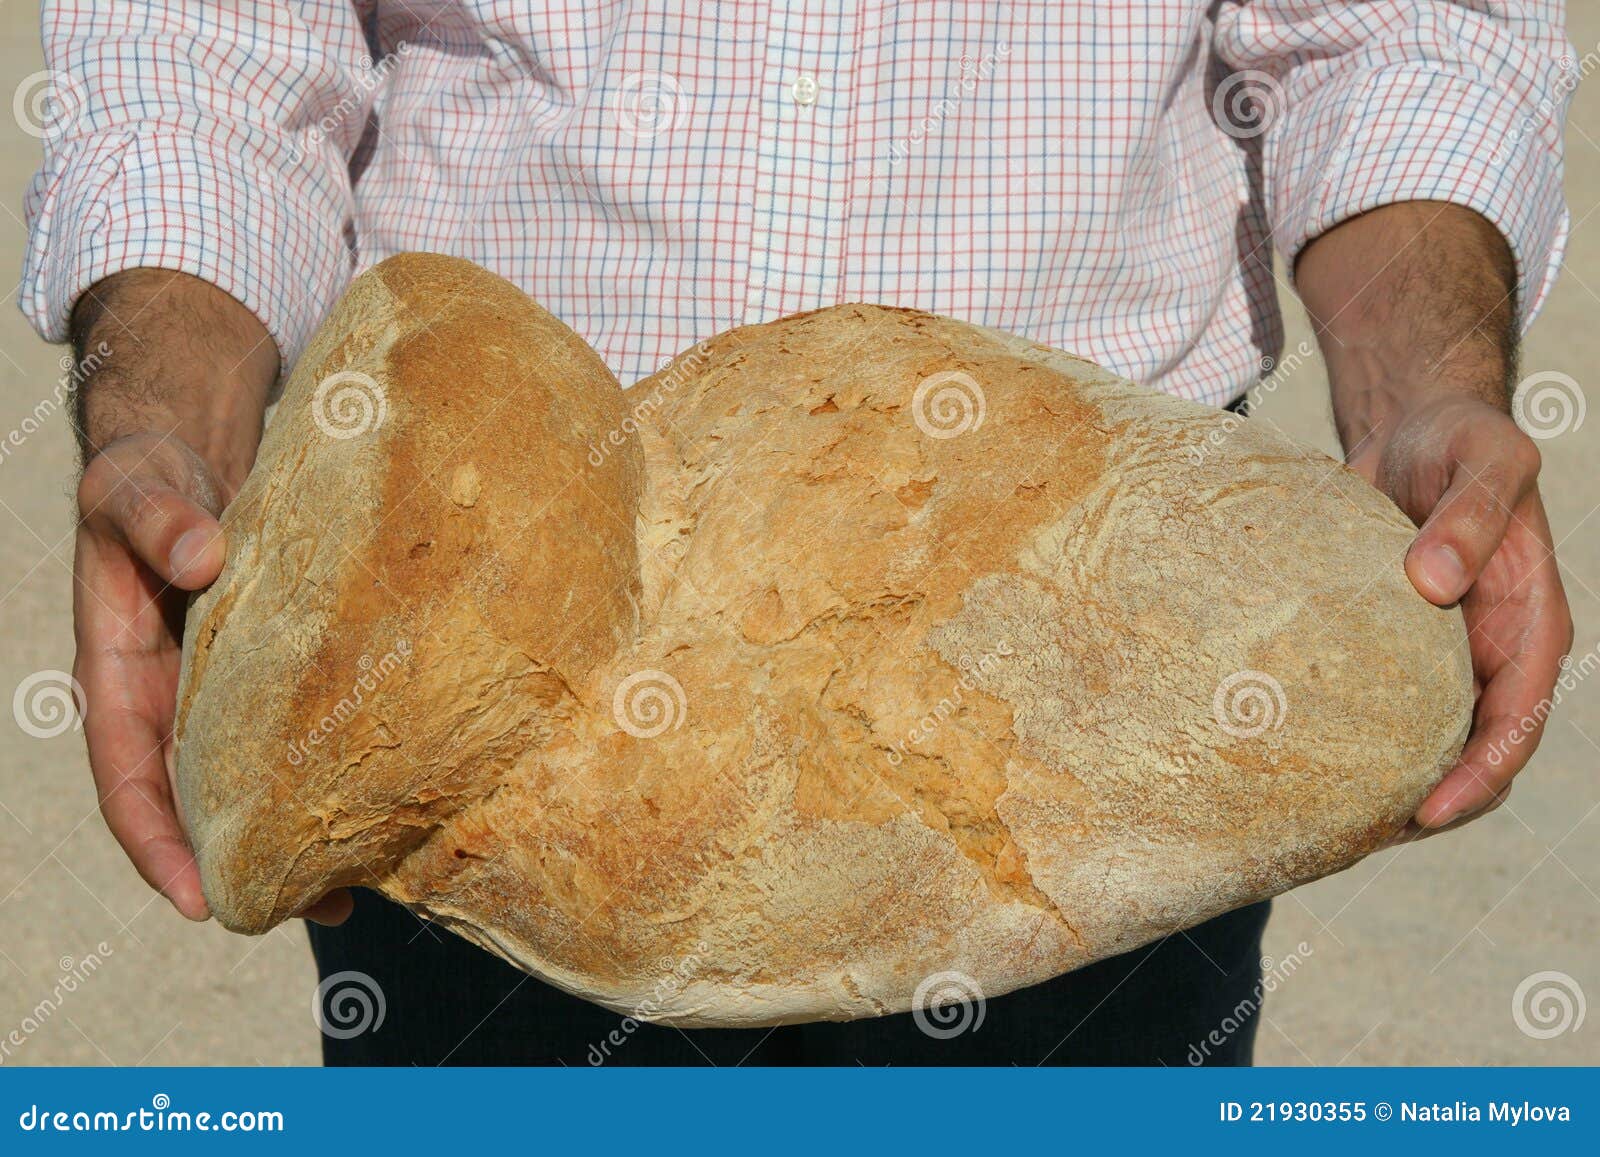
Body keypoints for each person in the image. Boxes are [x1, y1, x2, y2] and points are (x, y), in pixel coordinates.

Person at [24, 2, 1574, 1065]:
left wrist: (1430, 388)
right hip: (470, 668)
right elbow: (205, 39)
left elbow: (1393, 25)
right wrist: (164, 419)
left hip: (1114, 637)